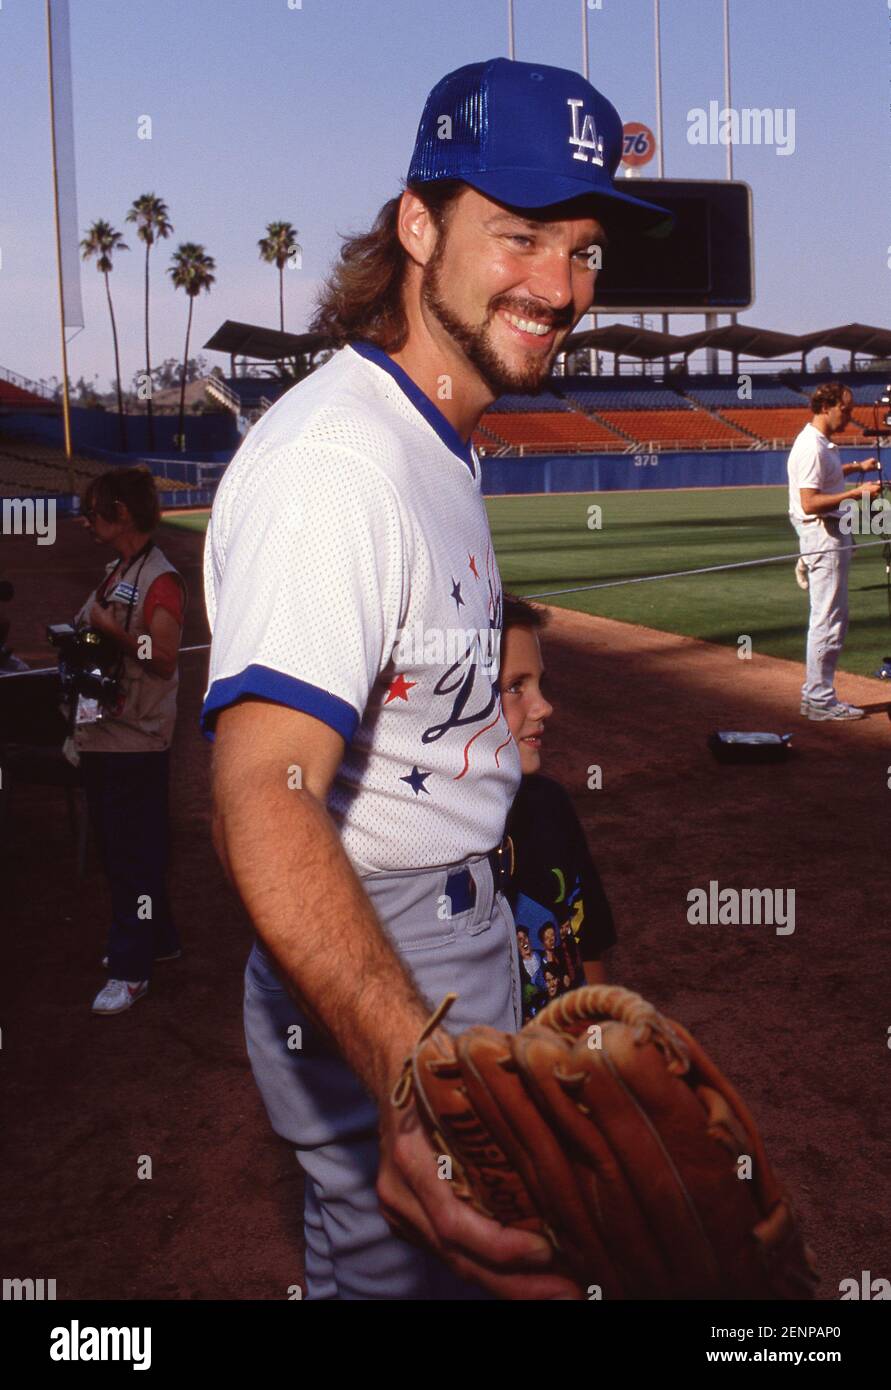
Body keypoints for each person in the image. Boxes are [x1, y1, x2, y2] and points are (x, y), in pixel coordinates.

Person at [203, 57, 668, 1300]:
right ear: (418, 225)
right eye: (520, 235)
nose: (561, 286)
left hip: (452, 920)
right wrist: (414, 1076)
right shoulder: (336, 466)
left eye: (583, 250)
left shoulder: (433, 442)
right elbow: (265, 789)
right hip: (378, 940)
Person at [74, 466, 185, 1014]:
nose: (86, 521)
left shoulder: (159, 578)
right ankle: (158, 940)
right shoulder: (121, 568)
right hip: (109, 733)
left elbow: (161, 660)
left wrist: (112, 632)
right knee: (129, 850)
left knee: (129, 857)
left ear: (122, 515)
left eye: (94, 512)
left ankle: (131, 969)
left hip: (134, 739)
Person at [498, 594, 616, 1022]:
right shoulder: (438, 844)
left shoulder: (550, 805)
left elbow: (588, 948)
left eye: (539, 684)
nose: (543, 706)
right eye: (514, 687)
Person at [787, 382, 880, 720]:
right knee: (828, 619)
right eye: (846, 408)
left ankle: (817, 696)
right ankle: (819, 700)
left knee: (830, 617)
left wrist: (857, 469)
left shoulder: (821, 443)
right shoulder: (811, 446)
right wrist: (857, 495)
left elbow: (825, 478)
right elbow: (810, 501)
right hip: (823, 534)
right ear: (826, 406)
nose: (850, 415)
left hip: (829, 533)